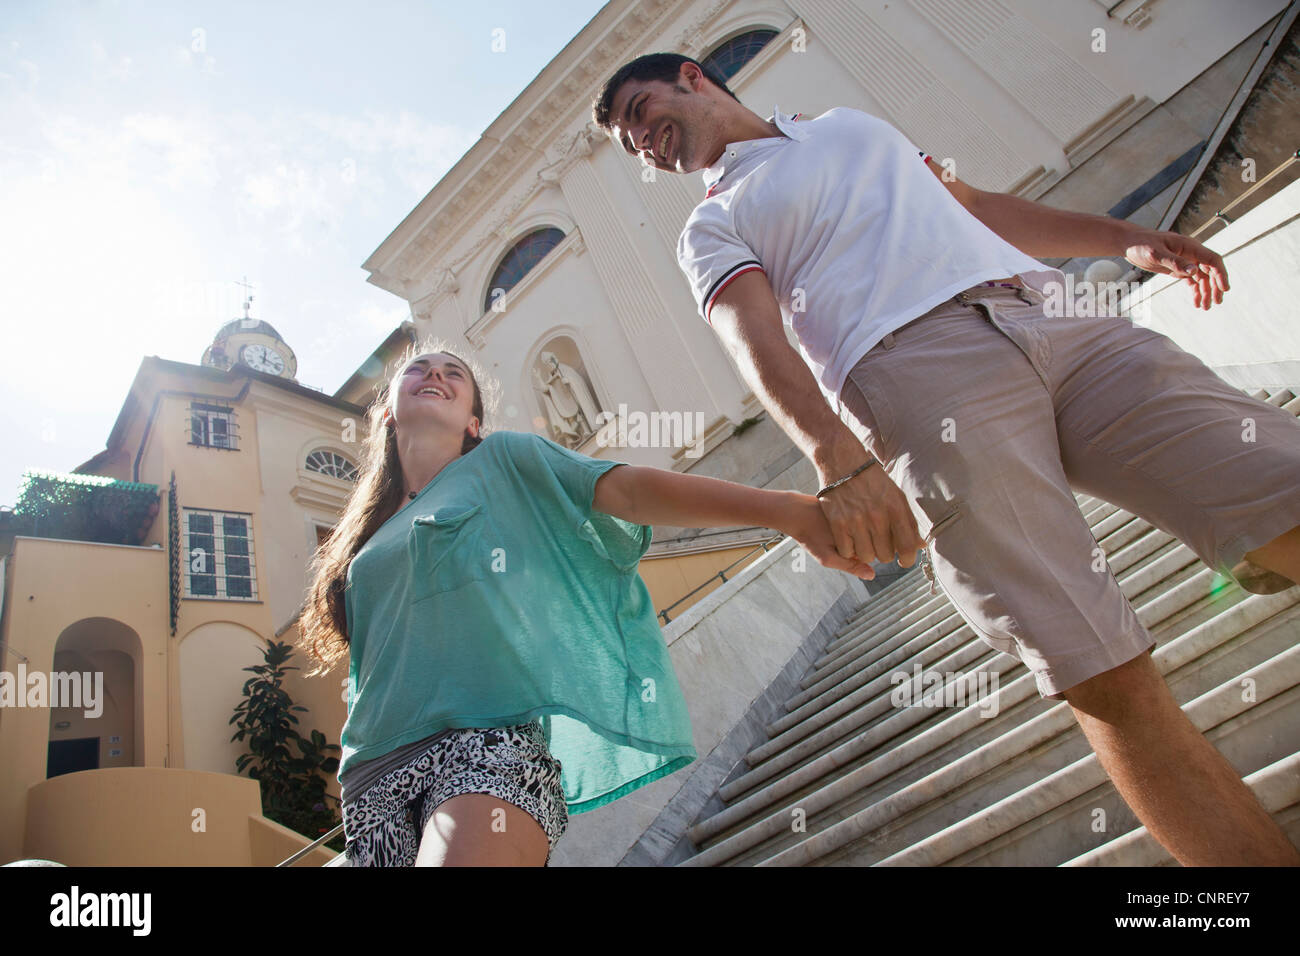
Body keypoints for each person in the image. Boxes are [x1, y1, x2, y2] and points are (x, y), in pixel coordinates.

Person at [592, 53, 1300, 866]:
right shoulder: (710, 225)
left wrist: (1130, 239)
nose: (641, 141)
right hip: (918, 375)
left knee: (1280, 490)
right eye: (627, 140)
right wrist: (838, 458)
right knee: (1098, 666)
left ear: (693, 76)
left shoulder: (847, 127)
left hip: (1056, 318)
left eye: (641, 113)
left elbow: (972, 206)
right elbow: (751, 337)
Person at [298, 340, 871, 866]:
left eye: (455, 374)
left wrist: (786, 511)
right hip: (372, 780)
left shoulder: (500, 462)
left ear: (474, 421)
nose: (436, 375)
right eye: (419, 369)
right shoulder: (364, 539)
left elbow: (624, 489)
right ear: (388, 413)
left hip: (485, 750)